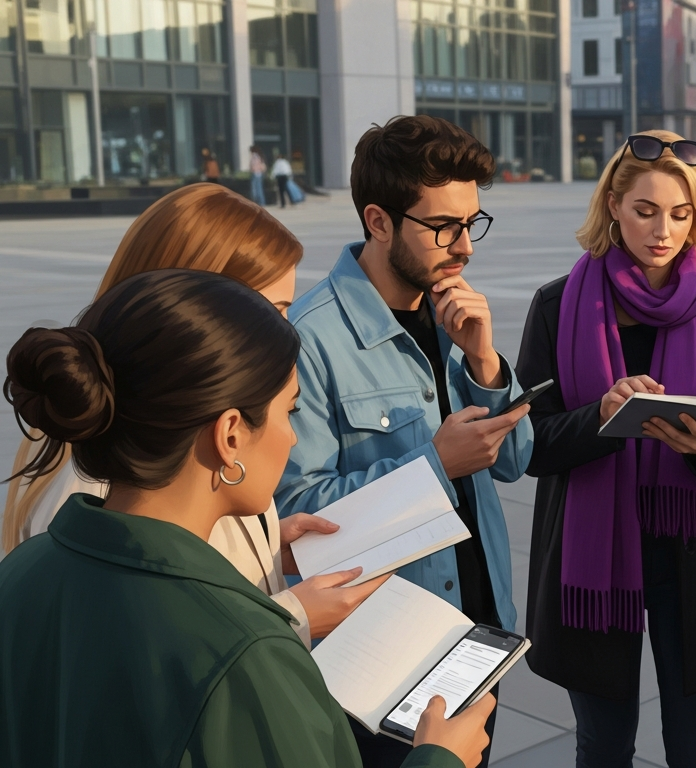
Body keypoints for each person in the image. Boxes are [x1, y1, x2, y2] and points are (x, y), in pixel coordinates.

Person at [0, 268, 494, 768]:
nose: (293, 437)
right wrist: (439, 758)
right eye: (289, 411)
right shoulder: (246, 650)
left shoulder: (21, 574)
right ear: (230, 435)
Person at [0, 183, 373, 647]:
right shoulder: (101, 470)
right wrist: (290, 619)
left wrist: (264, 545)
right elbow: (122, 649)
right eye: (271, 311)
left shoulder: (155, 428)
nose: (285, 333)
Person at [276, 114, 532, 768]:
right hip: (382, 654)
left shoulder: (452, 313)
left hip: (478, 630)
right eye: (444, 226)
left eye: (472, 223)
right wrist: (435, 465)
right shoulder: (310, 340)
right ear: (379, 221)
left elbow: (518, 460)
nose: (465, 246)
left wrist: (485, 367)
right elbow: (297, 514)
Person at [515, 130, 696, 768]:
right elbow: (529, 446)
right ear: (614, 207)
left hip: (693, 552)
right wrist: (598, 416)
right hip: (591, 558)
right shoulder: (555, 307)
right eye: (646, 211)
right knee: (603, 747)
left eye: (681, 214)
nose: (663, 231)